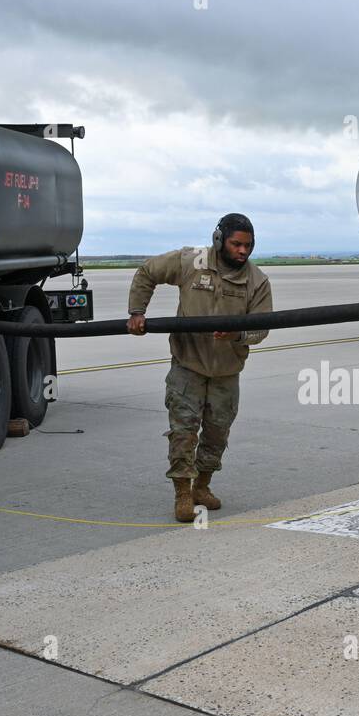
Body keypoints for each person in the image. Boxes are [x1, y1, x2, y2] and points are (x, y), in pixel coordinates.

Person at [128, 213, 273, 521]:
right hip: (188, 364)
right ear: (219, 240)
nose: (242, 252)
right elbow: (146, 272)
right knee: (183, 430)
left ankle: (202, 486)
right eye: (236, 244)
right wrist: (137, 312)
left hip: (226, 371)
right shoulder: (191, 261)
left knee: (217, 433)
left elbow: (263, 328)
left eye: (248, 246)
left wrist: (238, 334)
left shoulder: (257, 281)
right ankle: (182, 492)